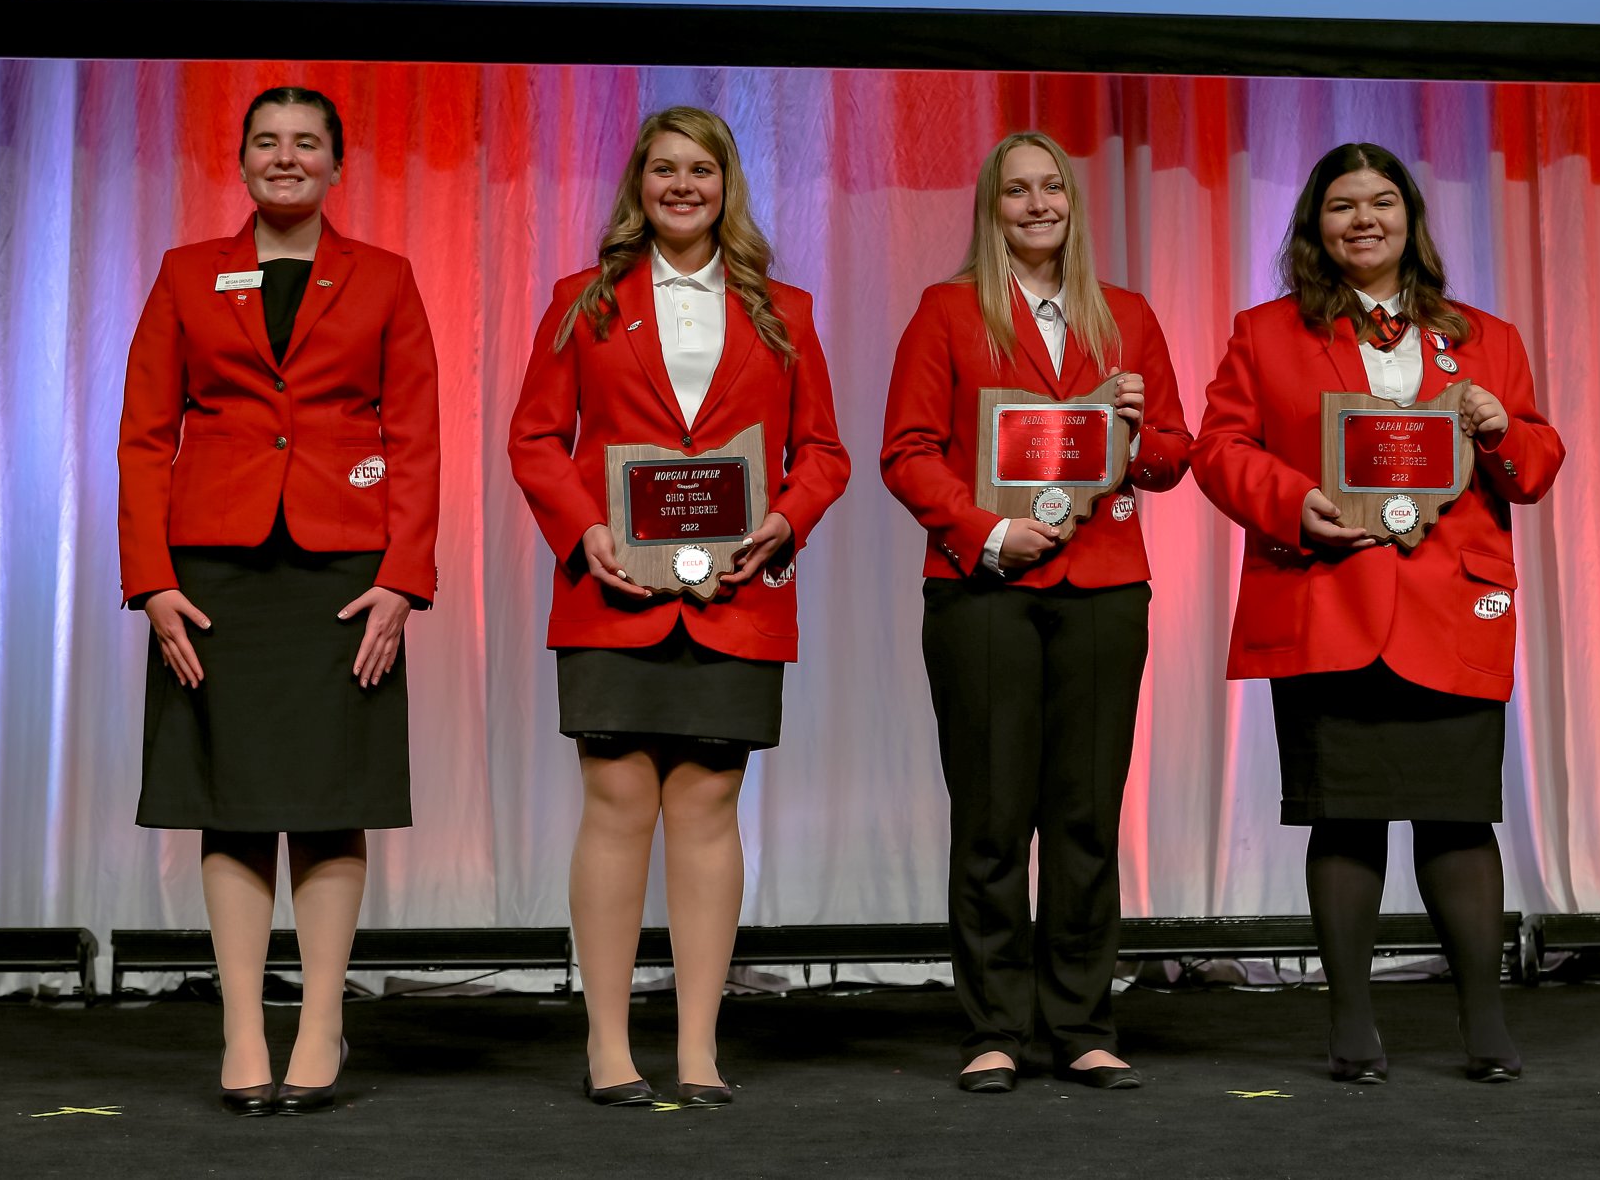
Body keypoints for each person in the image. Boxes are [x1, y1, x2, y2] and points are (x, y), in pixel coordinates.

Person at [1192, 141, 1564, 1085]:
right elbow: (1219, 448)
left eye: (1383, 202)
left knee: (1457, 820)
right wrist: (1290, 502)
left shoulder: (1489, 337)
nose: (1364, 220)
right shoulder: (1264, 332)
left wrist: (1500, 428)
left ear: (1411, 220)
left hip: (1452, 606)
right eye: (1342, 205)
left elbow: (1539, 465)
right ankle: (1351, 1022)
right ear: (1315, 225)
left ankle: (1485, 1023)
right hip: (1326, 599)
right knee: (1344, 820)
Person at [508, 105, 849, 1109]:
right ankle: (608, 1046)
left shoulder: (784, 309)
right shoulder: (583, 301)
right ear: (639, 185)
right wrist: (585, 533)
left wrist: (783, 521)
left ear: (726, 183)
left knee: (706, 808)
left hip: (734, 595)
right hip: (611, 592)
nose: (681, 186)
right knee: (616, 806)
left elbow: (821, 453)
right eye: (663, 169)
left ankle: (697, 1048)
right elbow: (534, 439)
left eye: (700, 168)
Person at [118, 86, 440, 1116]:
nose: (286, 158)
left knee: (329, 797)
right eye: (268, 142)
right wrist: (152, 580)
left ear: (337, 165)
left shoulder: (384, 279)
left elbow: (419, 439)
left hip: (346, 575)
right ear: (243, 160)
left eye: (306, 144)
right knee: (235, 800)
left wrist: (403, 576)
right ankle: (243, 1026)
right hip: (212, 576)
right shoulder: (182, 274)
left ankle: (319, 1024)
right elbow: (141, 435)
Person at [880, 131, 1190, 1093]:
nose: (1037, 203)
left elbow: (1175, 456)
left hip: (1103, 589)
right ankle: (995, 1029)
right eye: (1016, 190)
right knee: (990, 817)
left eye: (1052, 186)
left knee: (1088, 818)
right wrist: (986, 531)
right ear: (992, 208)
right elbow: (907, 451)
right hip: (982, 592)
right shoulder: (945, 313)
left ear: (1073, 203)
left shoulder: (1128, 317)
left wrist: (1137, 437)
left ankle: (1084, 1024)